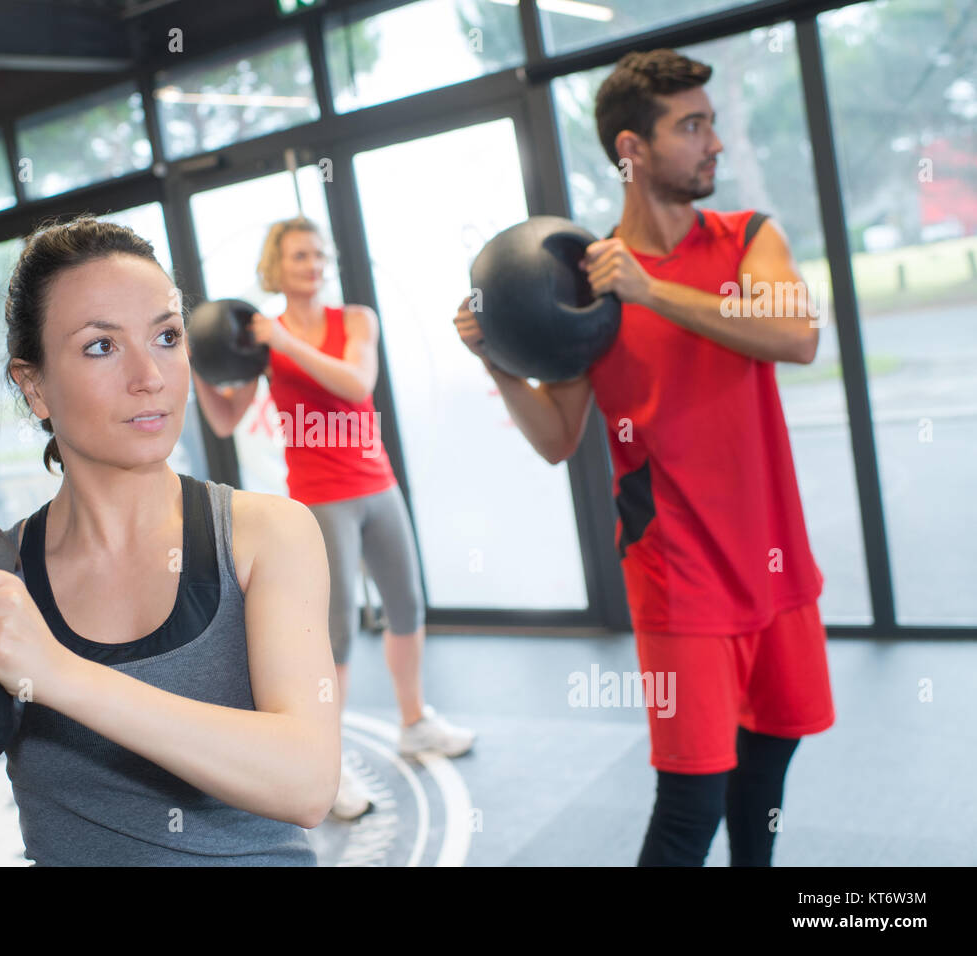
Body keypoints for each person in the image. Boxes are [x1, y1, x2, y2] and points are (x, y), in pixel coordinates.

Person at [0, 216, 339, 865]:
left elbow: (308, 782)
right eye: (102, 346)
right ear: (34, 386)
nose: (149, 375)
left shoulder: (268, 533)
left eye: (167, 336)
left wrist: (55, 673)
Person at [454, 49, 834, 866]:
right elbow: (558, 439)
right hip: (677, 577)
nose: (715, 143)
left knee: (763, 779)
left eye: (711, 122)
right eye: (691, 126)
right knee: (690, 804)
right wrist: (498, 364)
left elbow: (797, 335)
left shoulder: (747, 238)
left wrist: (656, 292)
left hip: (773, 567)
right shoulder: (585, 285)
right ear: (632, 149)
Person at [192, 217, 475, 821]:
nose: (313, 263)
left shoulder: (355, 321)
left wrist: (283, 342)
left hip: (377, 484)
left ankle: (415, 721)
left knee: (408, 608)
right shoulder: (262, 340)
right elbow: (223, 419)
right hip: (321, 498)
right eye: (299, 255)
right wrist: (193, 358)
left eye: (319, 252)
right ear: (278, 265)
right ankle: (329, 763)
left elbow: (355, 383)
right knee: (337, 634)